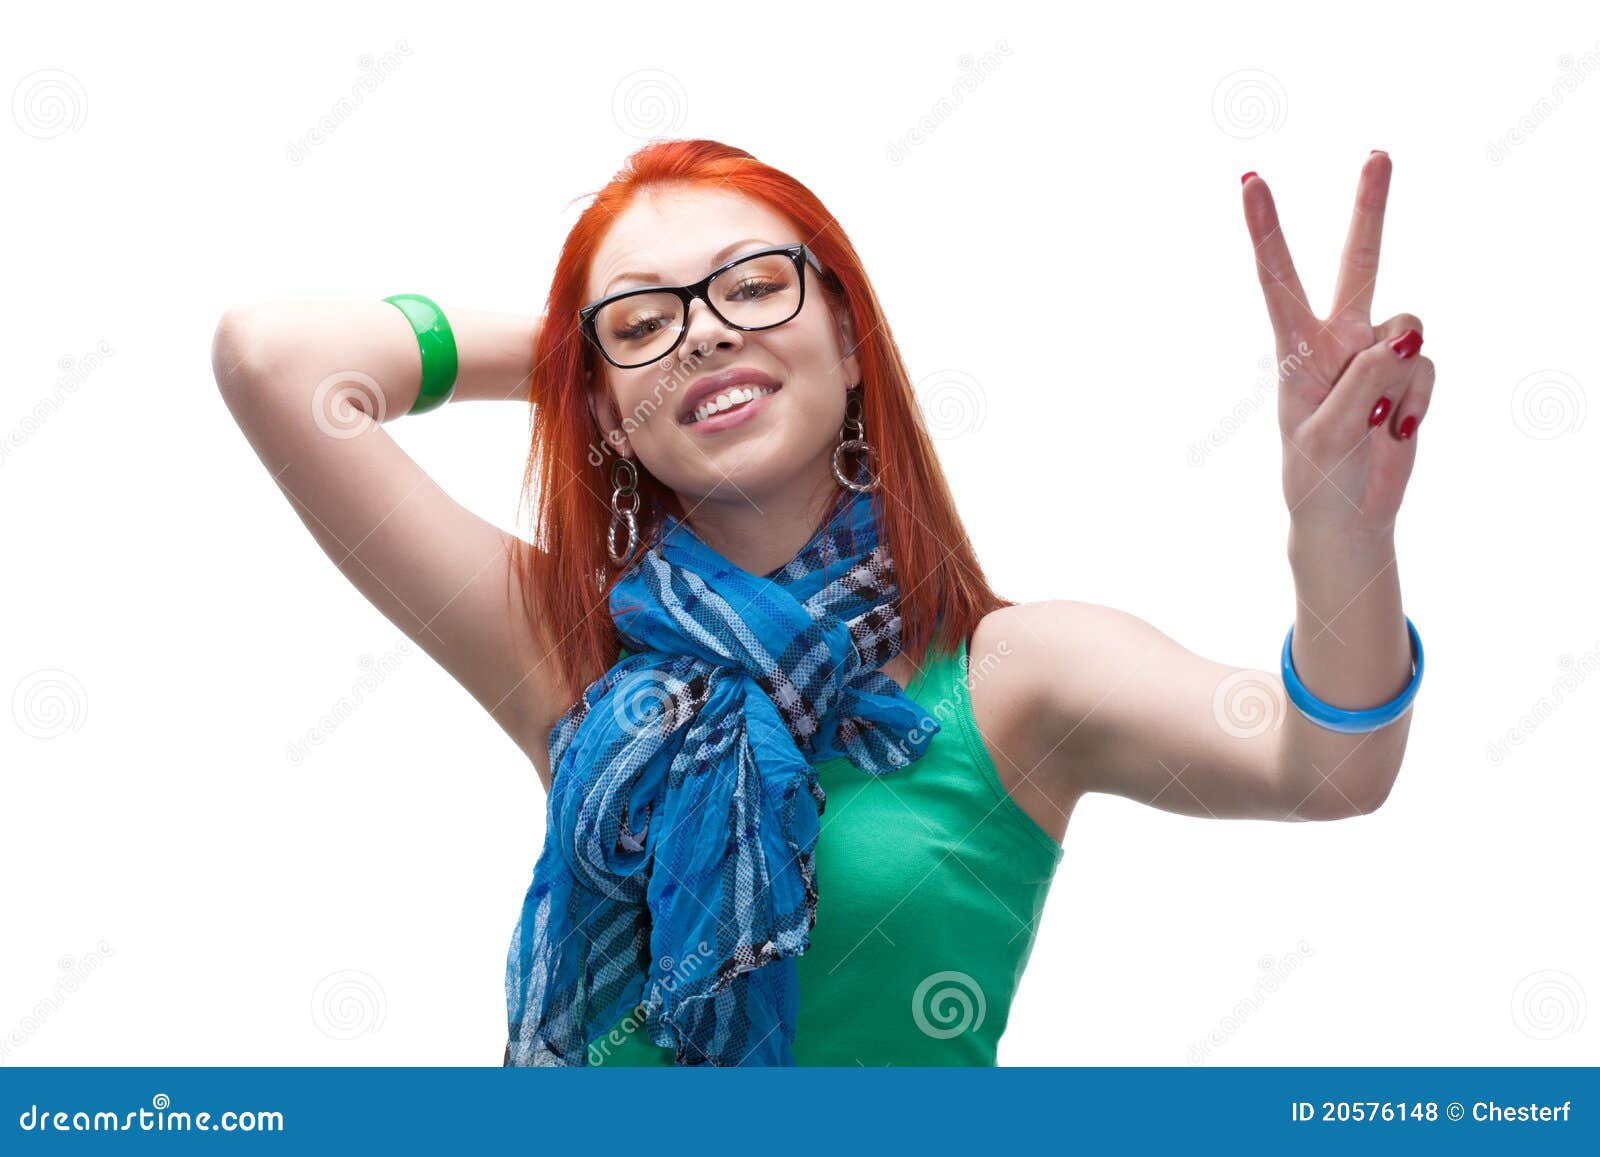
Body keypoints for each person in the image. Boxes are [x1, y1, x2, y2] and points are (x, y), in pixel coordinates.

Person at [210, 139, 1431, 1066]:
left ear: (851, 338)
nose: (701, 335)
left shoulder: (1015, 672)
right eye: (644, 317)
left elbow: (1325, 761)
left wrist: (1338, 538)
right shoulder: (572, 655)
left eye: (752, 287)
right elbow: (282, 362)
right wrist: (580, 361)